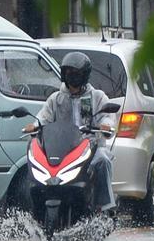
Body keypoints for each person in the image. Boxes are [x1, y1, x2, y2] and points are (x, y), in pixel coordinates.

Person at [22, 50, 116, 211]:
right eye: (68, 72)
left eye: (75, 73)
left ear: (84, 75)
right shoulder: (56, 98)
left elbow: (107, 117)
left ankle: (105, 205)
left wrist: (105, 125)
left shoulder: (97, 96)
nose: (71, 76)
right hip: (63, 151)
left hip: (91, 147)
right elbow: (43, 117)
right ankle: (33, 209)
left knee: (103, 160)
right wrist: (34, 125)